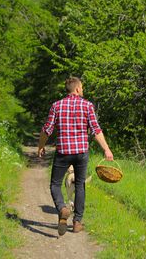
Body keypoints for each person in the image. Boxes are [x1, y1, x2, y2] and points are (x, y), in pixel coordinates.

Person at [38, 77, 113, 236]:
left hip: (63, 152)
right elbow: (96, 130)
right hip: (81, 153)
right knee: (80, 185)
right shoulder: (87, 105)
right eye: (82, 88)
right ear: (77, 89)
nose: (83, 90)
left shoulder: (56, 106)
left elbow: (47, 130)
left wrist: (41, 146)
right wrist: (106, 149)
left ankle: (62, 208)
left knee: (55, 185)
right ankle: (77, 222)